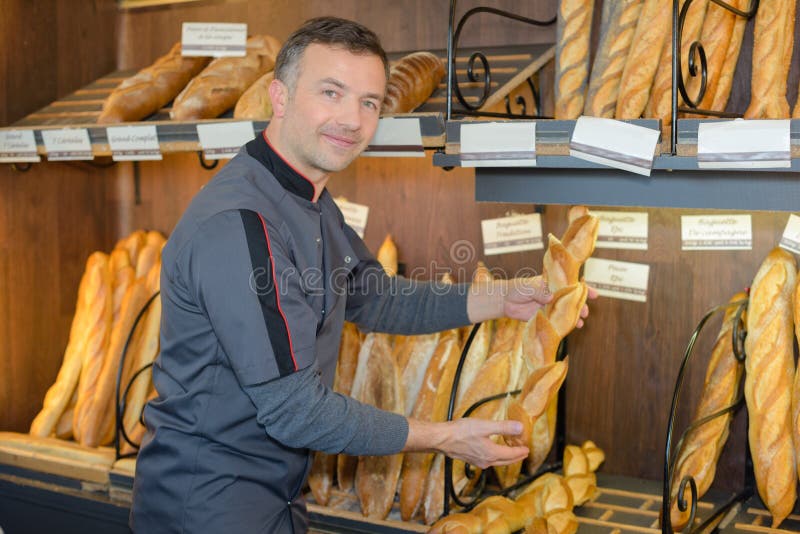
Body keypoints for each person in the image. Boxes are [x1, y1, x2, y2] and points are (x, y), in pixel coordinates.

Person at [130, 16, 589, 533]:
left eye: (368, 102)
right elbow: (294, 411)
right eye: (331, 92)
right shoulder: (241, 224)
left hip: (273, 504)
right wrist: (442, 436)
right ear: (279, 98)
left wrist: (503, 299)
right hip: (206, 510)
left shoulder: (309, 200)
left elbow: (375, 298)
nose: (352, 119)